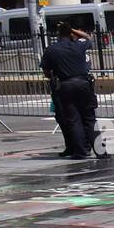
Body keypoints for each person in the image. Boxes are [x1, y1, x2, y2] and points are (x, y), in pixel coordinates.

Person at [40, 22, 97, 159]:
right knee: (90, 119)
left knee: (74, 120)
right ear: (71, 33)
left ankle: (81, 152)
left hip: (65, 85)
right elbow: (89, 38)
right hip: (84, 84)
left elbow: (46, 72)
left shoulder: (52, 49)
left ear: (58, 34)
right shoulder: (78, 45)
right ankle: (101, 151)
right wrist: (71, 29)